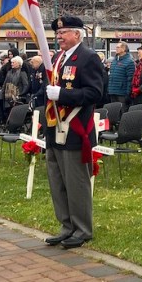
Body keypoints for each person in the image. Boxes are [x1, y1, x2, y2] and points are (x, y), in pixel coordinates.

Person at [43, 15, 104, 249]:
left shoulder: (88, 58)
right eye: (58, 33)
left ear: (77, 34)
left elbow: (96, 93)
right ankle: (66, 226)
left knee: (76, 182)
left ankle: (82, 229)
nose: (59, 37)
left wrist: (63, 95)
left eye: (64, 33)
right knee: (57, 181)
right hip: (54, 128)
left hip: (76, 129)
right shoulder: (58, 58)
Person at [107, 42, 135, 107]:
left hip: (122, 93)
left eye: (118, 47)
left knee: (122, 112)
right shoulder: (114, 61)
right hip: (112, 91)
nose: (116, 49)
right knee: (113, 112)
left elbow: (130, 79)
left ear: (124, 49)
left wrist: (128, 94)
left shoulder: (129, 61)